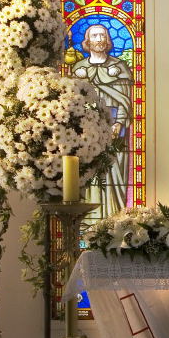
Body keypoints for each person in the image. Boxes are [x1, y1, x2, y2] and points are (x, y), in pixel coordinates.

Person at [71, 23, 133, 218]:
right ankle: (89, 219)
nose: (98, 39)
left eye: (102, 36)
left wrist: (119, 123)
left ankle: (115, 217)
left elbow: (125, 101)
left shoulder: (119, 68)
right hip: (87, 135)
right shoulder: (79, 68)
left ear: (107, 40)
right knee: (89, 171)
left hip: (115, 132)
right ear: (87, 42)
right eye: (94, 36)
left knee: (113, 171)